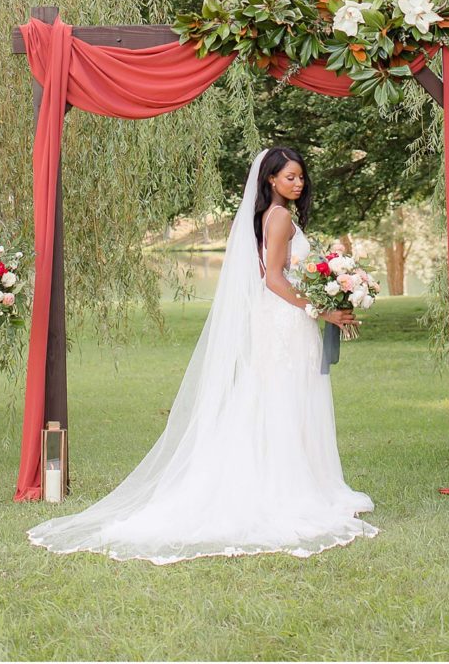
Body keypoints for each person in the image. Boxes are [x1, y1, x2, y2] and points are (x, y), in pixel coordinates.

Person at [26, 145, 379, 563]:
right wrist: (321, 308)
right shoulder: (280, 216)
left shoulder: (271, 215)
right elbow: (272, 280)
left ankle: (288, 481)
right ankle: (289, 489)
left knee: (276, 399)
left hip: (281, 321)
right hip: (284, 322)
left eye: (301, 177)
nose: (298, 183)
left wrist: (324, 291)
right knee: (285, 399)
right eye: (290, 177)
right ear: (270, 180)